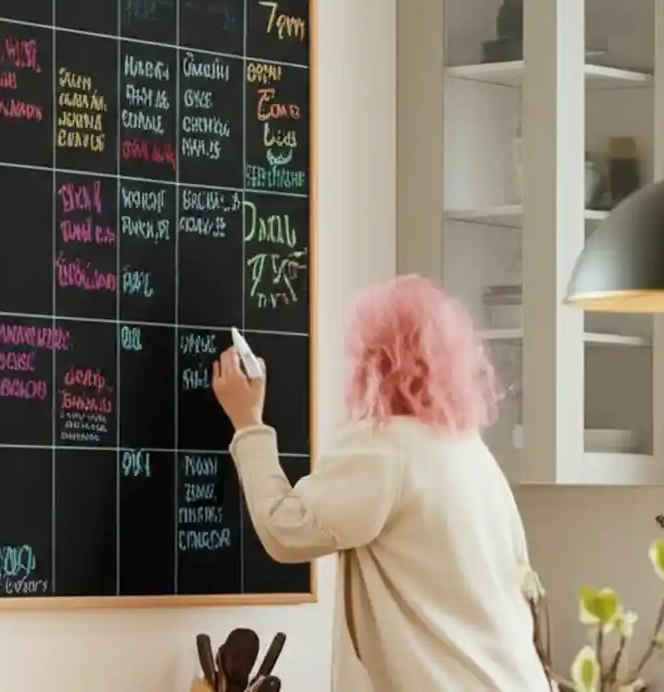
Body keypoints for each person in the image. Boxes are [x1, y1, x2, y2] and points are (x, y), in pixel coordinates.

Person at [212, 275, 546, 691]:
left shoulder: (387, 447)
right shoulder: (472, 454)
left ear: (373, 361)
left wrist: (248, 424)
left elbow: (286, 529)